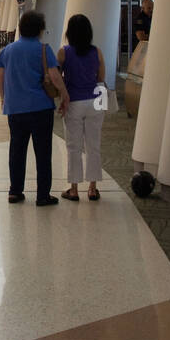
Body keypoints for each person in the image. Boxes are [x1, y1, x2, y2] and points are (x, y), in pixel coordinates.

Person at [0, 10, 68, 205]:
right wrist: (65, 95)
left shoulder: (7, 50)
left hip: (15, 109)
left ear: (21, 28)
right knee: (43, 152)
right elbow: (54, 76)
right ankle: (43, 195)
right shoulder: (43, 50)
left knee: (17, 150)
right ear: (40, 30)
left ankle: (15, 191)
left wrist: (3, 98)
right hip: (40, 109)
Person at [57, 14, 106, 201]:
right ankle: (92, 188)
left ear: (69, 32)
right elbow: (101, 78)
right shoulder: (97, 52)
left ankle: (74, 189)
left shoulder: (64, 52)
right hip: (95, 102)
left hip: (74, 102)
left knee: (74, 146)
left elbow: (57, 77)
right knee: (94, 145)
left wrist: (63, 95)